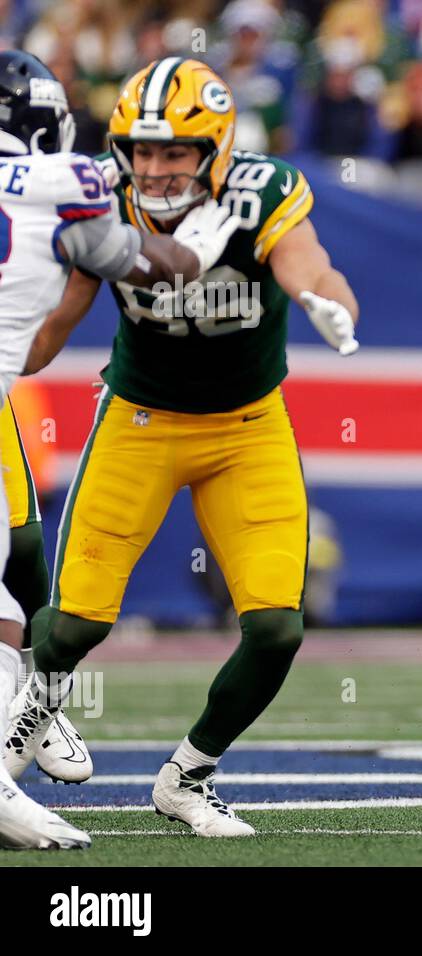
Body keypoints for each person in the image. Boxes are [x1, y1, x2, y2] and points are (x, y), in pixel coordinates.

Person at [3, 56, 360, 839]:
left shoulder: (261, 189)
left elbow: (313, 266)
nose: (157, 169)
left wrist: (323, 301)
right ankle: (32, 711)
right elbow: (54, 327)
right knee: (74, 626)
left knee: (276, 629)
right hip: (140, 421)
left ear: (217, 149)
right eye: (143, 150)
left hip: (248, 427)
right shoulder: (101, 188)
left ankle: (188, 776)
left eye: (176, 152)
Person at [0, 51, 239, 848]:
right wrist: (211, 236)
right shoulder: (66, 183)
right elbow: (149, 265)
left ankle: (30, 722)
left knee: (12, 578)